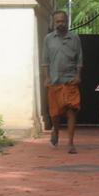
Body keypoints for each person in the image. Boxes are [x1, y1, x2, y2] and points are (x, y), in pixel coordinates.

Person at [41, 10, 83, 154]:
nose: (61, 24)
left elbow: (79, 60)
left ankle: (71, 143)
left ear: (67, 21)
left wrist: (78, 75)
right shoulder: (48, 39)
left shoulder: (75, 38)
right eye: (58, 21)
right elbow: (45, 61)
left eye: (63, 21)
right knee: (55, 113)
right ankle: (56, 130)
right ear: (54, 22)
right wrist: (46, 78)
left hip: (70, 80)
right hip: (54, 81)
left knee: (72, 111)